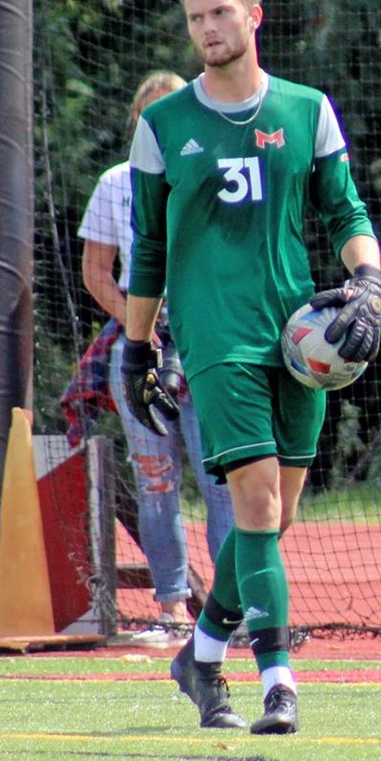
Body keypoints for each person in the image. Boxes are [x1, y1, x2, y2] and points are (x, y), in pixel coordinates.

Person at [120, 0, 381, 735]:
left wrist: (370, 283)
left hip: (299, 337)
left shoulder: (307, 110)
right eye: (196, 17)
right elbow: (147, 247)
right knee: (258, 508)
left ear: (253, 16)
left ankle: (199, 658)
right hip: (215, 338)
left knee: (277, 518)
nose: (206, 29)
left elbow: (345, 214)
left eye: (220, 14)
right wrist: (139, 349)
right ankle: (278, 683)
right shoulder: (164, 126)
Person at [76, 71, 239, 647]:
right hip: (141, 345)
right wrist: (139, 323)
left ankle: (229, 609)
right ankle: (171, 606)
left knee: (222, 480)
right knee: (156, 480)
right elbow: (96, 270)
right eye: (153, 114)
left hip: (205, 346)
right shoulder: (117, 182)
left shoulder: (217, 174)